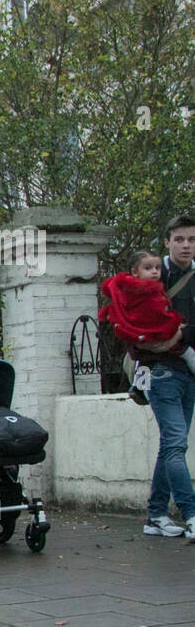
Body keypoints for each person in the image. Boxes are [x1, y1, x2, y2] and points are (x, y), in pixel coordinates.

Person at [133, 216, 195, 538]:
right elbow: (129, 319)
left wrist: (182, 336)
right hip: (161, 373)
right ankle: (191, 514)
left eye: (192, 240)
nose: (186, 245)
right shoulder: (154, 275)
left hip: (189, 372)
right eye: (180, 239)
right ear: (168, 241)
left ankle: (155, 515)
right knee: (175, 444)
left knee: (171, 446)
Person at [100, 251, 195, 410]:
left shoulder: (127, 288)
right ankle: (140, 387)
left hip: (141, 334)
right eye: (148, 268)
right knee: (186, 352)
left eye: (157, 268)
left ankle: (139, 387)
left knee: (144, 360)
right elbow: (157, 313)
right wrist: (176, 323)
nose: (155, 271)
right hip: (156, 332)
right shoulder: (146, 290)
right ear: (135, 271)